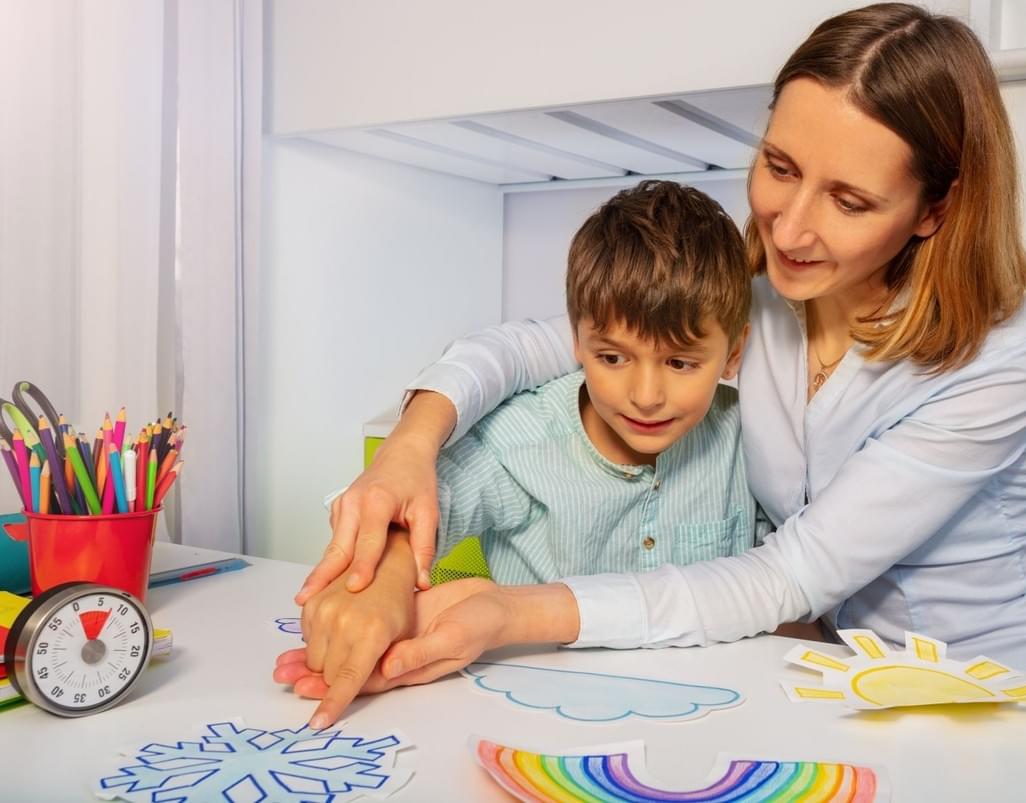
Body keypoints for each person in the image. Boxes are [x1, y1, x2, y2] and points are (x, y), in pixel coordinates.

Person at [284, 2, 1026, 717]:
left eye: (849, 201)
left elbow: (791, 574)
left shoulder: (1003, 360)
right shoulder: (757, 305)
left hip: (1004, 686)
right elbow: (537, 342)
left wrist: (510, 612)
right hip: (846, 687)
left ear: (936, 208)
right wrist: (410, 449)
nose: (788, 229)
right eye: (779, 168)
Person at [281, 180, 807, 727]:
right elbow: (413, 507)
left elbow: (784, 580)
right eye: (612, 357)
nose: (646, 396)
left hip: (713, 717)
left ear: (734, 353)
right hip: (532, 717)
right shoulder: (522, 440)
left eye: (680, 364)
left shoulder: (749, 439)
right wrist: (383, 584)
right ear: (575, 343)